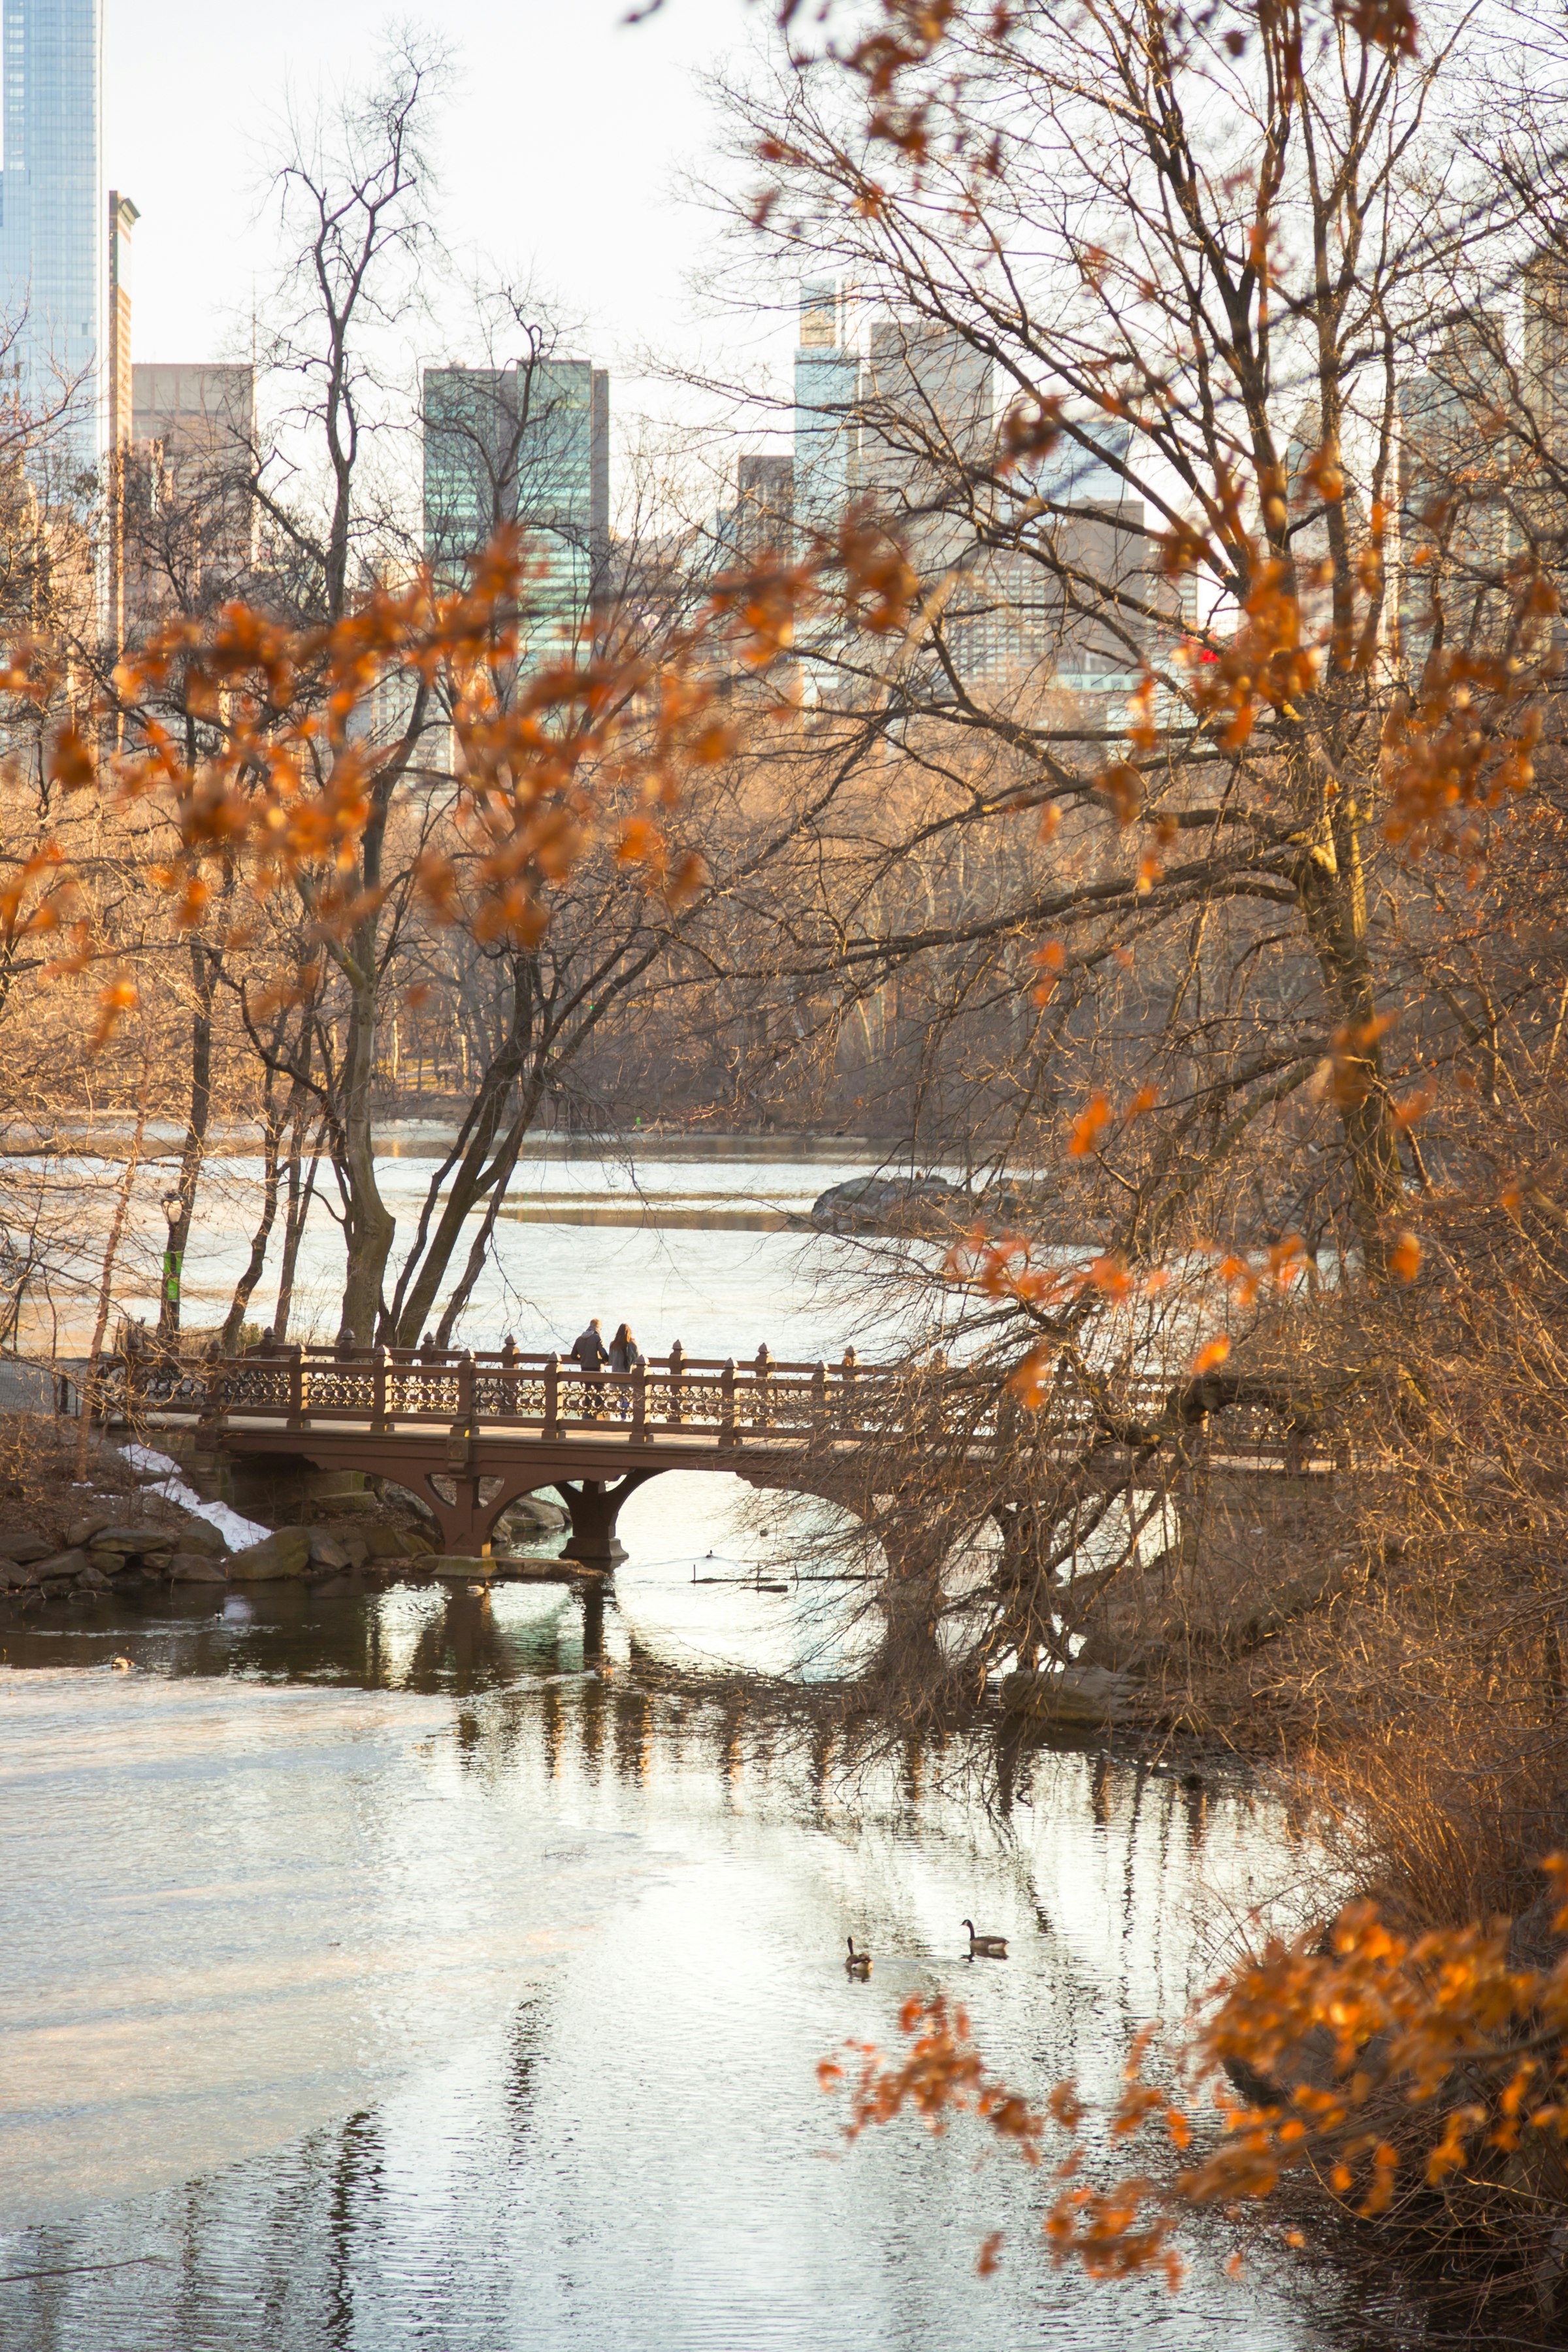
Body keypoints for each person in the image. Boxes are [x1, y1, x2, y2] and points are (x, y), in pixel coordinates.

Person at [569, 1317, 609, 1417]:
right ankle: (598, 1413)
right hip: (597, 1370)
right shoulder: (597, 1338)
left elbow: (573, 1356)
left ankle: (587, 1414)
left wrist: (583, 1359)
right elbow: (603, 1354)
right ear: (598, 1327)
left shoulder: (580, 1339)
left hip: (584, 1370)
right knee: (601, 1391)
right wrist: (605, 1361)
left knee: (588, 1392)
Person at [608, 1322, 644, 1418]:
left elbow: (610, 1361)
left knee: (621, 1397)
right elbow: (639, 1360)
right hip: (628, 1376)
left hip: (615, 1376)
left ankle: (623, 1416)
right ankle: (627, 1415)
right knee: (627, 1397)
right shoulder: (633, 1345)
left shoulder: (613, 1345)